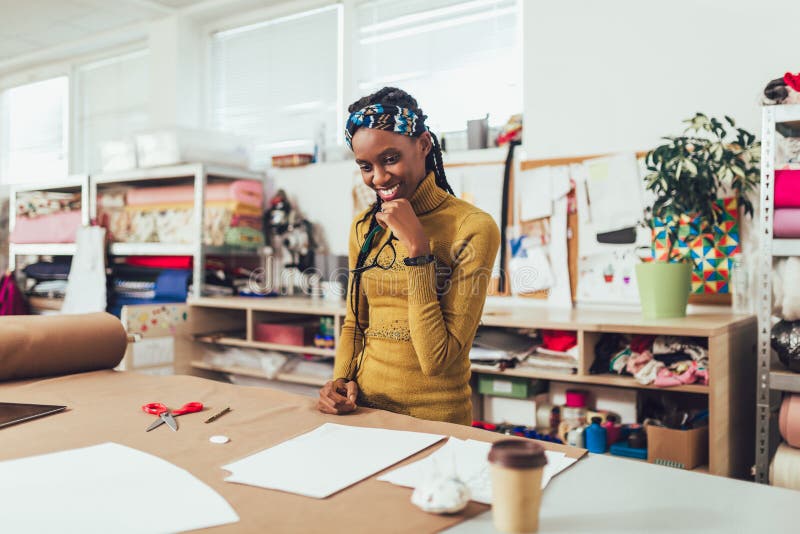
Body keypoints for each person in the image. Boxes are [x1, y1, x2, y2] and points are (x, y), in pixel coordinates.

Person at [316, 87, 500, 425]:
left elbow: (436, 359)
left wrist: (418, 250)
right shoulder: (364, 227)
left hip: (435, 420)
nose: (379, 178)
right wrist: (339, 382)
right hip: (365, 411)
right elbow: (355, 323)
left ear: (424, 145)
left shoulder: (473, 227)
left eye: (389, 159)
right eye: (365, 166)